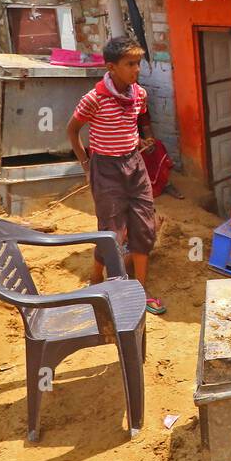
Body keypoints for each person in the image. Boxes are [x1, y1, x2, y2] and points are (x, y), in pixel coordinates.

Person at [66, 36, 165, 315]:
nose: (137, 69)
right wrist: (86, 165)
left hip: (134, 164)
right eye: (130, 64)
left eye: (138, 63)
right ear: (111, 67)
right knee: (112, 231)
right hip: (106, 168)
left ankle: (141, 290)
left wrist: (144, 138)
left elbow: (141, 117)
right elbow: (72, 130)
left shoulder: (139, 94)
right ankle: (99, 281)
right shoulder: (94, 99)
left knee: (144, 226)